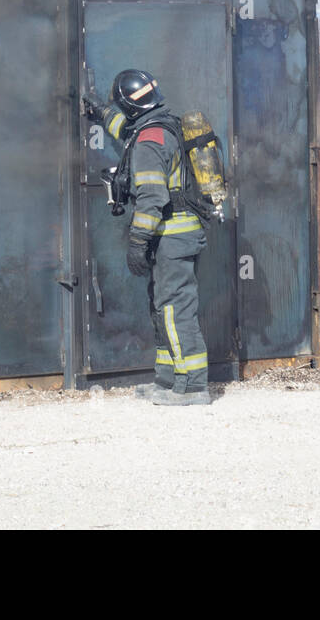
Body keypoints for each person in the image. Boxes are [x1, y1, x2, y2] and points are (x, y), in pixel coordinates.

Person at [83, 69, 210, 406]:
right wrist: (100, 110)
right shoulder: (160, 126)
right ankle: (168, 381)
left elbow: (153, 198)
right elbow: (123, 128)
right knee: (162, 307)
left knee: (174, 308)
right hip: (175, 235)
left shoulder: (149, 142)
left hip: (171, 236)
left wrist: (138, 241)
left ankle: (194, 385)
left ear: (131, 105)